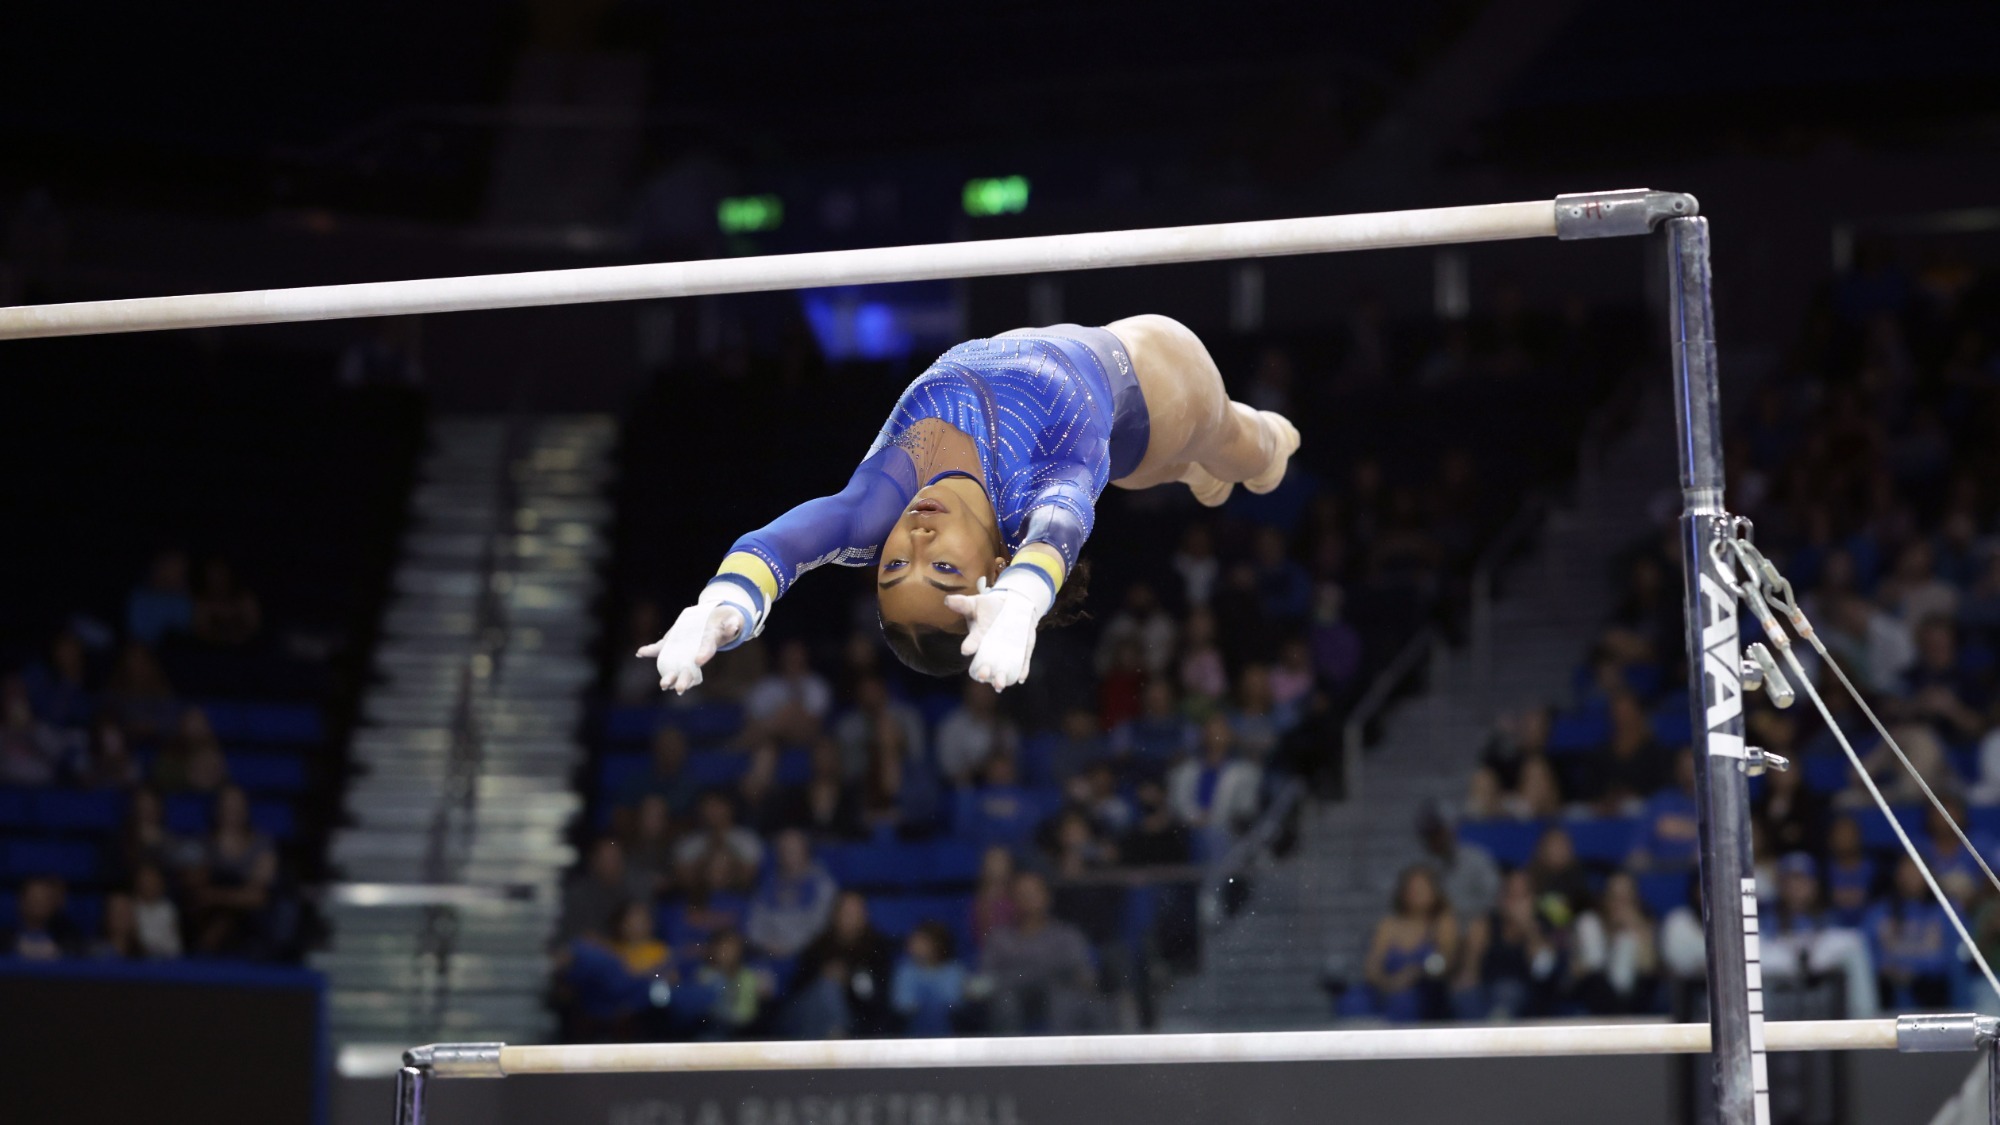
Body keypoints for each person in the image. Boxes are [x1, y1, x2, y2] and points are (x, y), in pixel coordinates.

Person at [637, 317, 1299, 690]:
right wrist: (1024, 599)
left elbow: (785, 547)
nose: (915, 545)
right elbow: (1063, 522)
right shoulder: (1040, 486)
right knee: (1256, 453)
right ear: (997, 569)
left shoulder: (879, 508)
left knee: (1172, 472)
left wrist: (725, 604)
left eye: (893, 569)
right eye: (944, 572)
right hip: (1160, 384)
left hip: (1116, 444)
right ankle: (1239, 454)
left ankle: (1187, 473)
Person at [981, 872, 1100, 1033]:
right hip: (1012, 998)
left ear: (1047, 896)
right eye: (1022, 894)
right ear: (1012, 901)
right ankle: (1011, 1056)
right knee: (1005, 1002)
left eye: (1033, 893)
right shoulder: (999, 938)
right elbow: (986, 981)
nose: (1028, 899)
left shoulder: (1067, 935)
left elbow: (1085, 976)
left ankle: (1062, 1055)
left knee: (1063, 1000)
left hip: (1057, 998)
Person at [1453, 870, 1560, 1019]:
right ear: (1501, 899)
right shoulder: (1487, 925)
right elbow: (1468, 975)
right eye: (1511, 896)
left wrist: (1529, 930)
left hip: (1527, 998)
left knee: (1508, 991)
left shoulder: (1542, 926)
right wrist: (1473, 953)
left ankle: (1496, 1027)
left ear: (1532, 899)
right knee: (1463, 994)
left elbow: (1543, 970)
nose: (1515, 904)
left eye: (1521, 897)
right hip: (1487, 993)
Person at [185, 785, 278, 955]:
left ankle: (205, 951)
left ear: (246, 809)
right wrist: (230, 895)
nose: (231, 810)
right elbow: (198, 891)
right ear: (217, 808)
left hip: (249, 918)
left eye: (237, 805)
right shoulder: (203, 842)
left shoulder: (261, 844)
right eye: (227, 804)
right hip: (209, 915)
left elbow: (257, 897)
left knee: (230, 918)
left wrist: (219, 896)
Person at [1358, 866, 1458, 1022]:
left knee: (1404, 1001)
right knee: (1354, 1001)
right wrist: (1388, 984)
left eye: (1421, 889)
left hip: (1424, 992)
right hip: (1385, 990)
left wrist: (1414, 974)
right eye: (1411, 889)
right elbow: (1372, 967)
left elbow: (1446, 961)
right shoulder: (1388, 925)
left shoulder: (1442, 923)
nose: (1415, 894)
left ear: (1434, 892)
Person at [791, 891, 898, 1038]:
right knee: (827, 987)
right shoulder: (819, 945)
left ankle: (836, 1038)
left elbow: (878, 999)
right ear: (835, 914)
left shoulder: (876, 948)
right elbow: (796, 991)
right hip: (809, 1015)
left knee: (832, 989)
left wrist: (848, 981)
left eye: (856, 912)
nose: (851, 918)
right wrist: (823, 975)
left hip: (854, 1019)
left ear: (865, 916)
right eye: (846, 911)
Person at [1168, 716, 1263, 860]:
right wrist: (1195, 817)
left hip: (1227, 832)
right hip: (1190, 829)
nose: (1216, 734)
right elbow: (1177, 803)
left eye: (1221, 730)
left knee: (1214, 835)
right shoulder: (1186, 770)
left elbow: (1246, 808)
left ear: (1231, 736)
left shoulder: (1246, 772)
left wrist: (1213, 819)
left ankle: (1216, 880)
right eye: (1211, 730)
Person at [1867, 855, 1955, 1010]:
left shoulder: (1945, 910)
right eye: (1907, 871)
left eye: (1917, 871)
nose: (1912, 877)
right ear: (1897, 875)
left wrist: (1915, 969)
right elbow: (1866, 952)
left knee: (1933, 983)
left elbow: (1951, 956)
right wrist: (1889, 967)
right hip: (1887, 985)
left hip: (1931, 987)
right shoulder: (1880, 911)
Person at [1571, 872, 1661, 1015]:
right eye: (1614, 897)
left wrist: (1635, 927)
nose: (1619, 903)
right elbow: (1575, 973)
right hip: (1592, 998)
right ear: (1605, 898)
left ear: (1635, 900)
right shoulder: (1589, 924)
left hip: (1632, 1001)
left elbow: (1648, 969)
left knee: (1627, 942)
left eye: (1625, 898)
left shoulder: (1644, 924)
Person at [745, 829, 839, 960]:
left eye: (793, 849)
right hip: (767, 951)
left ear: (806, 850)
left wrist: (791, 947)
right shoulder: (769, 882)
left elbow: (821, 926)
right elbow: (755, 921)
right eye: (784, 849)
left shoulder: (822, 883)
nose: (788, 854)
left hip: (805, 955)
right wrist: (765, 944)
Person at [1414, 799, 1500, 919]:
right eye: (1429, 835)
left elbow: (1493, 899)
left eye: (1437, 832)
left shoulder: (1477, 859)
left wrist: (1457, 911)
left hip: (1476, 927)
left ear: (1450, 829)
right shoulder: (1426, 868)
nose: (1434, 840)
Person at [743, 639, 832, 746]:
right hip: (771, 739)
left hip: (807, 738)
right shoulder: (767, 686)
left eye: (798, 656)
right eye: (790, 656)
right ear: (782, 658)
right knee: (766, 749)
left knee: (825, 746)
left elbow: (815, 723)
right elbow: (754, 720)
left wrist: (789, 714)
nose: (794, 659)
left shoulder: (817, 685)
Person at [672, 791, 764, 889]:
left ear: (729, 808)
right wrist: (709, 853)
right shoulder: (688, 842)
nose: (712, 812)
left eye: (717, 806)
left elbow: (749, 877)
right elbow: (683, 878)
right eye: (708, 807)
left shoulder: (748, 839)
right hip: (697, 899)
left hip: (738, 898)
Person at [935, 680, 1019, 785]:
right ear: (967, 692)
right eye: (978, 689)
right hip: (963, 788)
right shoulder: (952, 726)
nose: (982, 695)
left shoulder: (1004, 726)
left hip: (999, 787)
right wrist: (980, 770)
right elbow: (949, 769)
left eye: (987, 689)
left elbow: (1013, 762)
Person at [892, 921, 968, 1036]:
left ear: (937, 944)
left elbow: (956, 1002)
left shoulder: (954, 971)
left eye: (921, 942)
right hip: (914, 1033)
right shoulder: (906, 971)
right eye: (913, 941)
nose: (913, 945)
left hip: (948, 1034)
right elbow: (902, 1004)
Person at [694, 929, 772, 1037]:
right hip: (716, 1025)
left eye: (732, 948)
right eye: (723, 948)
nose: (728, 953)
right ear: (713, 949)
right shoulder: (705, 974)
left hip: (748, 1027)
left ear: (740, 950)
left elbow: (765, 997)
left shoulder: (750, 975)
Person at [4, 877, 82, 959]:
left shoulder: (68, 938)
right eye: (34, 900)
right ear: (21, 901)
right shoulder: (6, 939)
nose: (38, 907)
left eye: (43, 900)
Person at [131, 862, 183, 959]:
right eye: (145, 881)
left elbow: (174, 941)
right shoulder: (132, 908)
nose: (149, 885)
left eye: (152, 880)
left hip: (168, 959)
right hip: (138, 959)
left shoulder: (168, 909)